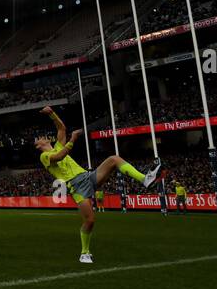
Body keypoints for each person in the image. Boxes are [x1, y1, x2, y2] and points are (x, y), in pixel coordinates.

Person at [36, 106, 161, 264]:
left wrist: (52, 114)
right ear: (38, 146)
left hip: (87, 176)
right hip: (76, 186)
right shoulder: (44, 156)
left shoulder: (57, 146)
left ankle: (145, 179)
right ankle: (84, 253)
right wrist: (73, 139)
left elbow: (61, 128)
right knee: (90, 221)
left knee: (114, 159)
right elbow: (60, 156)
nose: (40, 137)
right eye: (38, 139)